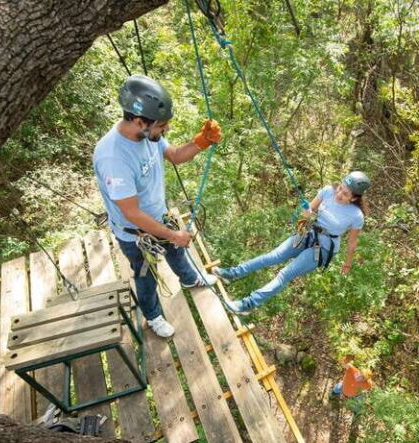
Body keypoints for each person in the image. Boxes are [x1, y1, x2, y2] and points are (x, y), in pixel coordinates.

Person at [93, 75, 222, 338]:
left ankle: (189, 279)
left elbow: (174, 156)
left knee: (176, 251)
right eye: (162, 126)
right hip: (135, 232)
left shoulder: (148, 136)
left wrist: (201, 142)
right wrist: (174, 234)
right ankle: (152, 315)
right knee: (146, 274)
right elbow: (131, 213)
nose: (166, 130)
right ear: (139, 121)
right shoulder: (113, 157)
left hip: (159, 215)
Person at [215, 171, 371, 314]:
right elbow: (308, 212)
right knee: (272, 256)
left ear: (354, 198)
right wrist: (304, 217)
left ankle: (247, 304)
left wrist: (347, 264)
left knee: (285, 274)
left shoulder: (356, 215)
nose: (339, 194)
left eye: (345, 193)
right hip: (306, 234)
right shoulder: (327, 191)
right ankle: (232, 273)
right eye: (340, 188)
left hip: (322, 249)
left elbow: (352, 243)